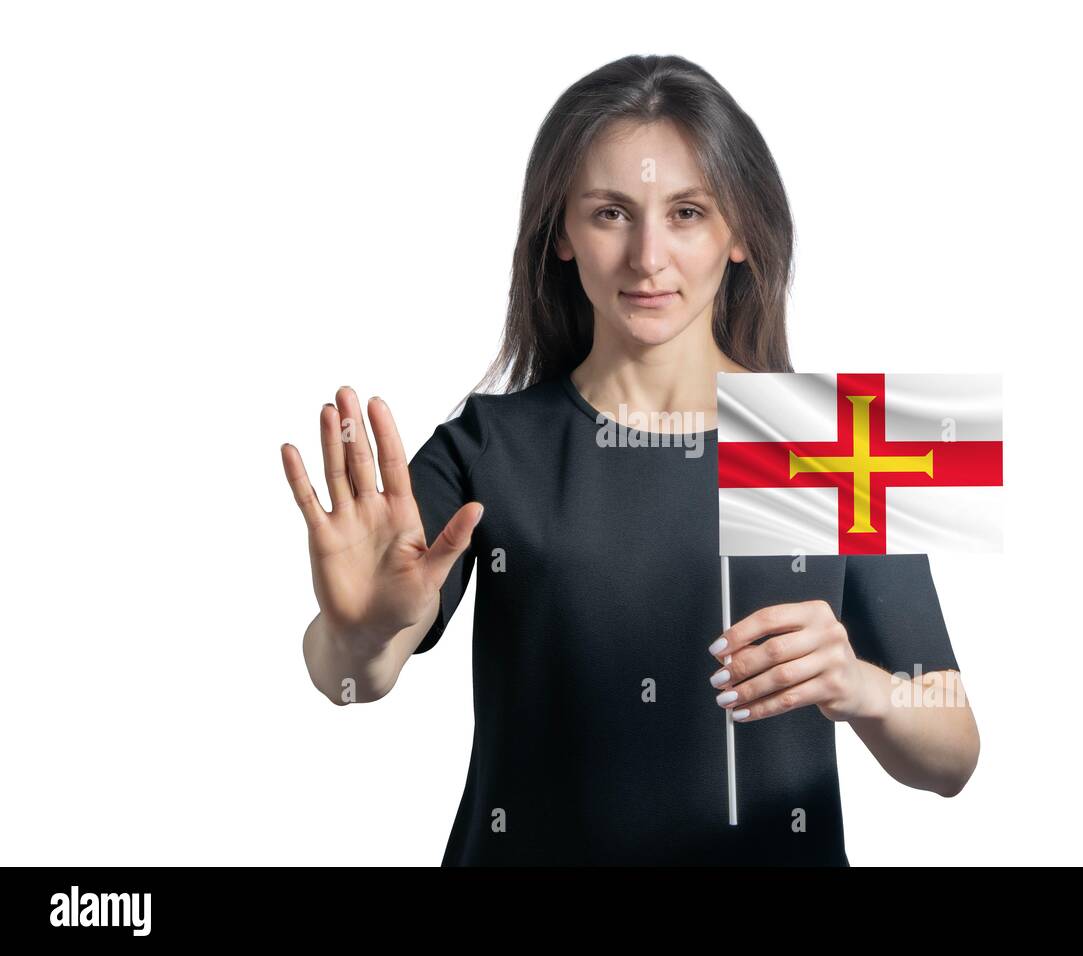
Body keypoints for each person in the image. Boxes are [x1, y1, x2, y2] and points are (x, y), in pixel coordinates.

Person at [280, 54, 979, 866]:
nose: (648, 257)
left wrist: (864, 687)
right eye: (611, 213)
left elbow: (954, 755)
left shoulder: (828, 438)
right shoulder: (490, 445)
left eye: (687, 212)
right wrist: (358, 631)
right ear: (562, 237)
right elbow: (352, 678)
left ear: (742, 232)